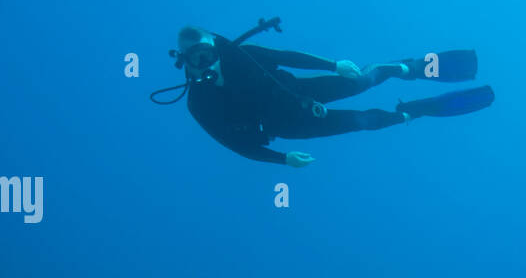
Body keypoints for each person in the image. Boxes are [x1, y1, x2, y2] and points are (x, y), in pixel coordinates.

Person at [170, 23, 494, 167]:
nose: (207, 63)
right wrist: (283, 159)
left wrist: (334, 64)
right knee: (365, 122)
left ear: (217, 48)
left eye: (209, 53)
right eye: (196, 59)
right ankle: (415, 111)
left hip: (298, 91)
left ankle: (404, 68)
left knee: (364, 80)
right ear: (184, 62)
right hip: (289, 126)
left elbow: (286, 57)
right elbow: (236, 145)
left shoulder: (242, 56)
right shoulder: (199, 103)